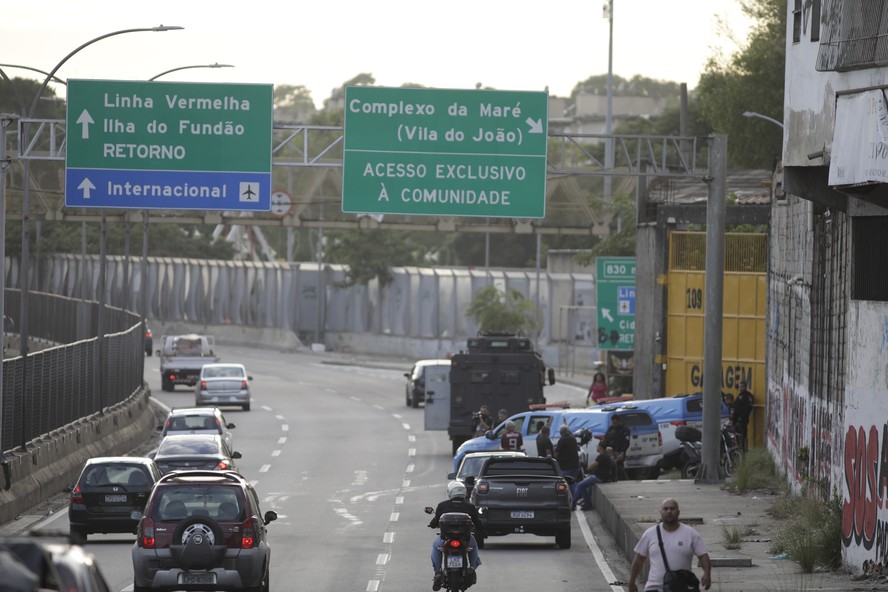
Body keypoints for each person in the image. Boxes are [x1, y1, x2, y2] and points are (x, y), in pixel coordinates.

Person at [628, 498, 711, 592]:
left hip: (680, 588)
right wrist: (631, 582)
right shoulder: (650, 534)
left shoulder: (690, 533)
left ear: (678, 512)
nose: (669, 511)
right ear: (661, 512)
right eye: (666, 509)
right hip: (654, 588)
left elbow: (703, 556)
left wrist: (707, 574)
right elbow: (639, 559)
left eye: (672, 508)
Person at [428, 481, 483, 591]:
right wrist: (482, 529)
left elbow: (435, 521)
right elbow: (478, 522)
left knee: (436, 547)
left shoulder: (442, 505)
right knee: (474, 547)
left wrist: (432, 524)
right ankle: (471, 568)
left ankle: (438, 573)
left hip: (445, 538)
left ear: (450, 492)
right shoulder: (470, 507)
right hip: (465, 539)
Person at [572, 442, 615, 510]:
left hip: (599, 477)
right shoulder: (606, 456)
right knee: (583, 486)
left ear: (600, 447)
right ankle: (587, 503)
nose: (596, 448)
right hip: (602, 477)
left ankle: (573, 504)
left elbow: (591, 466)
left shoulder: (601, 456)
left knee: (579, 485)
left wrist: (588, 468)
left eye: (597, 446)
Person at [602, 415, 631, 481]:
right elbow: (606, 438)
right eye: (613, 422)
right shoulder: (611, 428)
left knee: (619, 467)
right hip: (610, 452)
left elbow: (626, 442)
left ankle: (622, 480)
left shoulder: (625, 430)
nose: (614, 424)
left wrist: (623, 452)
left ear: (619, 421)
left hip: (619, 452)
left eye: (615, 422)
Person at [733, 381, 755, 452]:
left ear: (745, 387)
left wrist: (741, 418)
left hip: (742, 420)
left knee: (743, 436)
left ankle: (743, 451)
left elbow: (748, 409)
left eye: (742, 387)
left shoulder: (748, 396)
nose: (740, 388)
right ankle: (740, 450)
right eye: (739, 387)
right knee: (738, 437)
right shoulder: (739, 396)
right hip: (736, 420)